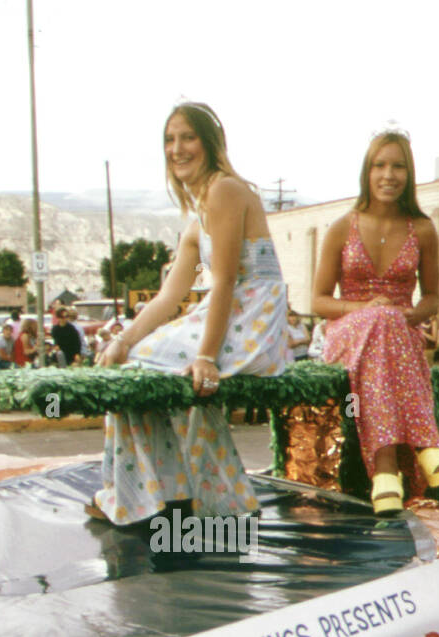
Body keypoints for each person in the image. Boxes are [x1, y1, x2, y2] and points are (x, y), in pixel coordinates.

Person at [89, 100, 289, 525]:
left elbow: (226, 282)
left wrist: (205, 356)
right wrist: (122, 341)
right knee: (133, 367)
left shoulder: (226, 190)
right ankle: (165, 496)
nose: (177, 148)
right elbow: (167, 297)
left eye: (187, 137)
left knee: (146, 371)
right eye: (169, 139)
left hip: (252, 322)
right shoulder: (196, 221)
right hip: (228, 315)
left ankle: (176, 499)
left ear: (210, 143)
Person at [311, 129, 439, 512]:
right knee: (380, 319)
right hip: (348, 333)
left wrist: (413, 314)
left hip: (399, 334)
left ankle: (386, 474)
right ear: (367, 171)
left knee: (388, 322)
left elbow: (433, 297)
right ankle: (423, 446)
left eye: (398, 166)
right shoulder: (343, 226)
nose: (388, 175)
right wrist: (364, 309)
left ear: (410, 175)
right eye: (380, 165)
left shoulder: (422, 229)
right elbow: (318, 300)